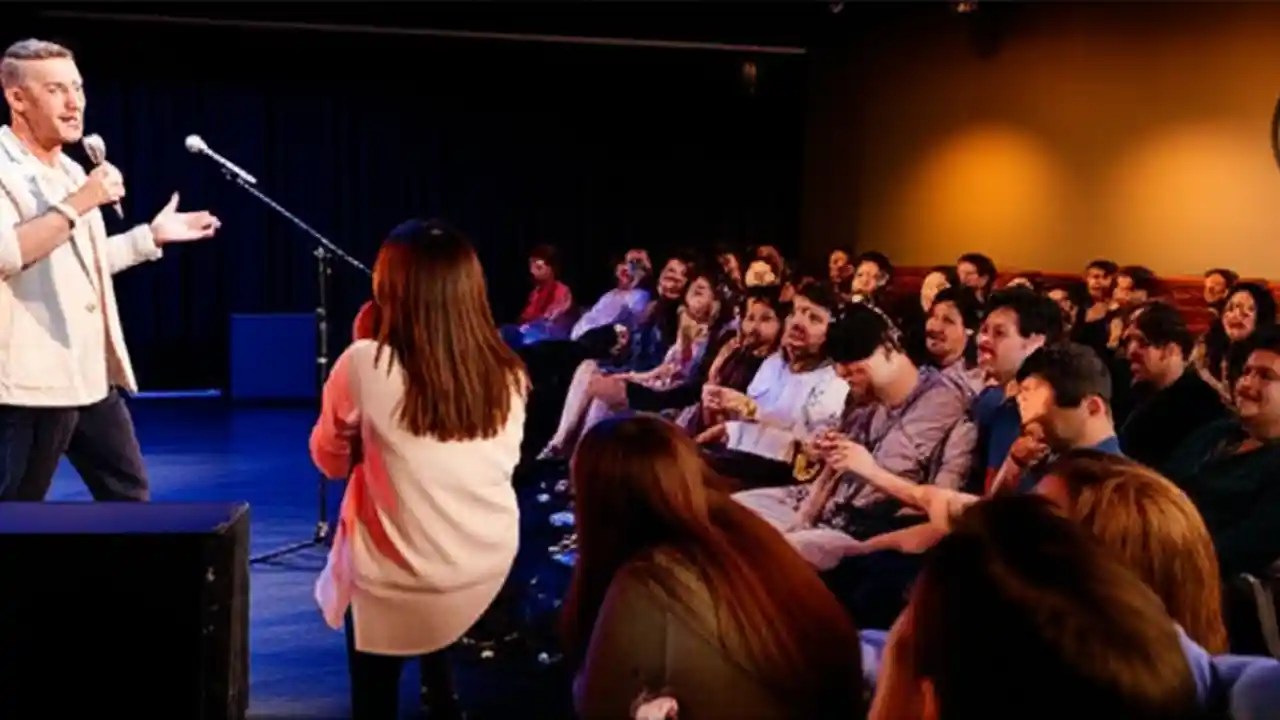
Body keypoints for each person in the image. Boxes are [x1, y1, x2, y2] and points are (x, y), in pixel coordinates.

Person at [309, 219, 527, 719]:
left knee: (375, 695)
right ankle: (441, 688)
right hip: (484, 561)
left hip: (399, 580)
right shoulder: (510, 370)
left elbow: (330, 459)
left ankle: (420, 684)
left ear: (390, 289)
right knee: (420, 509)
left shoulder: (365, 362)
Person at [0, 39, 220, 502]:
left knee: (130, 501)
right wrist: (82, 201)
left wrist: (149, 238)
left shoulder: (71, 170)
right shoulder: (6, 170)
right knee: (16, 511)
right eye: (56, 90)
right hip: (30, 385)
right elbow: (7, 255)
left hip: (89, 376)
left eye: (77, 88)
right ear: (17, 98)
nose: (74, 102)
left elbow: (82, 262)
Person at [563, 414, 865, 719]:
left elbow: (598, 704)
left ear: (600, 502)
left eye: (577, 496)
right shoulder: (746, 533)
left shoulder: (649, 580)